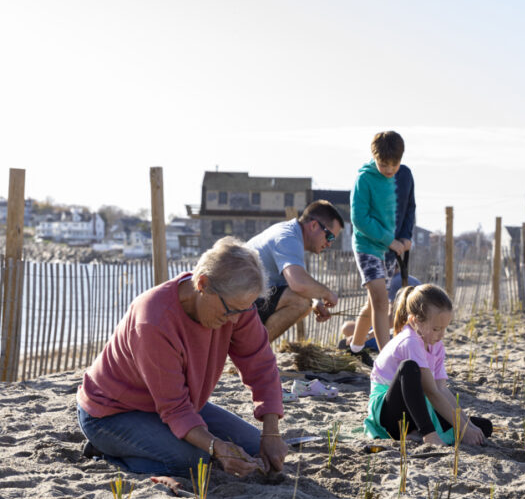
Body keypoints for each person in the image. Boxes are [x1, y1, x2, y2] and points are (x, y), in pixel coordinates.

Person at [76, 237, 289, 479]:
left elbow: (261, 365)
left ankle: (152, 446)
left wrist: (271, 433)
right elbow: (175, 409)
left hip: (176, 405)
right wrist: (215, 447)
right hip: (112, 414)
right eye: (231, 310)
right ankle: (105, 451)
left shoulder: (238, 306)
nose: (234, 320)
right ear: (203, 284)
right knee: (194, 461)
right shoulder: (153, 320)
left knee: (253, 446)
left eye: (243, 310)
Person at [363, 284, 492, 446]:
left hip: (419, 409)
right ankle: (428, 434)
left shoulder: (436, 345)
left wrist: (467, 426)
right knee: (408, 368)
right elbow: (431, 392)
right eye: (436, 329)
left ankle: (415, 433)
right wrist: (462, 428)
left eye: (445, 328)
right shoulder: (410, 341)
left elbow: (441, 389)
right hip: (389, 415)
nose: (442, 335)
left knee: (484, 427)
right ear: (414, 321)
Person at [347, 131, 408, 364]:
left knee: (374, 302)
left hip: (390, 248)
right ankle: (387, 360)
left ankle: (354, 347)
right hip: (368, 246)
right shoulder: (365, 179)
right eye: (384, 164)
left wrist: (404, 237)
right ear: (374, 158)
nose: (390, 169)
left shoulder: (400, 177)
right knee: (382, 302)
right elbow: (359, 219)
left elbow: (405, 208)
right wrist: (388, 239)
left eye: (395, 164)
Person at [247, 200, 345, 342]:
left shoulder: (291, 235)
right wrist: (327, 293)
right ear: (314, 225)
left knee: (307, 302)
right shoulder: (288, 238)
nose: (329, 244)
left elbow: (295, 282)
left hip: (246, 299)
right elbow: (298, 284)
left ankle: (256, 351)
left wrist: (316, 300)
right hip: (236, 305)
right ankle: (255, 353)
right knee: (301, 301)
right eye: (329, 237)